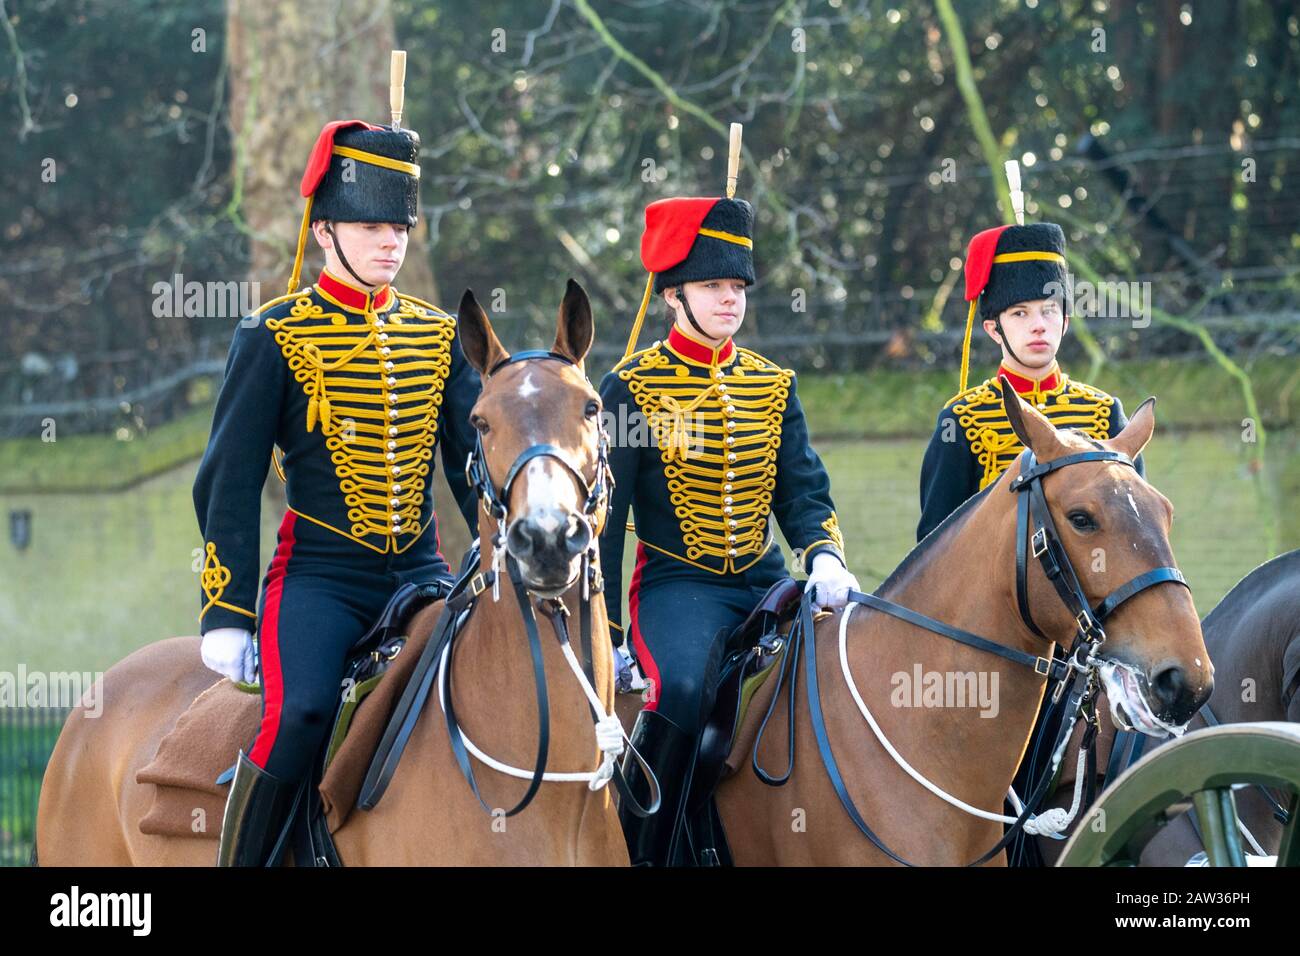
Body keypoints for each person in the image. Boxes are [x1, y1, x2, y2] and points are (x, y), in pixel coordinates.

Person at [194, 118, 480, 865]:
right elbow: (230, 477)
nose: (392, 241)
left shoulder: (438, 334)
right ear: (324, 231)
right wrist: (227, 610)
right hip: (320, 578)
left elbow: (472, 465)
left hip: (423, 579)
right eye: (372, 224)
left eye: (402, 226)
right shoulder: (272, 333)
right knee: (303, 713)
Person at [599, 194, 859, 865]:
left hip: (766, 580)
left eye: (737, 286)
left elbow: (803, 493)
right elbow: (609, 519)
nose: (729, 300)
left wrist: (824, 555)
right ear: (672, 295)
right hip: (677, 588)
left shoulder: (774, 385)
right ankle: (645, 848)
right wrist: (607, 633)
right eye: (712, 286)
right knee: (683, 690)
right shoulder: (629, 386)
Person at [917, 221, 1144, 542]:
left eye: (1049, 311)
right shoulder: (961, 419)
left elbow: (1134, 531)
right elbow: (934, 546)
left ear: (1064, 323)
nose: (1038, 326)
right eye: (1020, 314)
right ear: (994, 329)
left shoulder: (1104, 414)